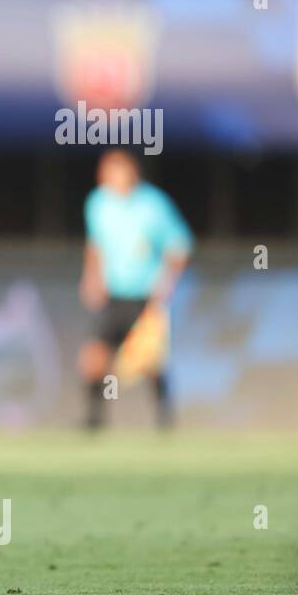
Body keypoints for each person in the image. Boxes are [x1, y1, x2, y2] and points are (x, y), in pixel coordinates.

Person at [79, 148, 192, 429]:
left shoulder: (153, 204)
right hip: (114, 296)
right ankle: (94, 422)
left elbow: (179, 246)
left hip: (145, 297)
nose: (109, 177)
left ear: (132, 172)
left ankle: (165, 422)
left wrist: (167, 282)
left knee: (150, 363)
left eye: (116, 170)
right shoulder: (98, 203)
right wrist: (91, 278)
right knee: (94, 358)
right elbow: (95, 246)